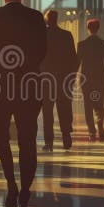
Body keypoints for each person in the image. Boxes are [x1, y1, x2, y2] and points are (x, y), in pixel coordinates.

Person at [0, 0, 47, 207]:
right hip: (29, 84)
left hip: (0, 85)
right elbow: (42, 51)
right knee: (28, 138)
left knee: (1, 136)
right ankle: (26, 189)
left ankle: (11, 184)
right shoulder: (36, 17)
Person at [40, 10, 76, 152]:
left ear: (47, 20)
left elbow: (38, 58)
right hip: (63, 80)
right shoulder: (66, 35)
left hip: (46, 80)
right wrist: (71, 78)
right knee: (64, 109)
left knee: (48, 112)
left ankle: (49, 143)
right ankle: (66, 136)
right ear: (57, 19)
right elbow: (74, 59)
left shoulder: (42, 36)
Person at [77, 18, 104, 142]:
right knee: (99, 104)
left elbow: (77, 62)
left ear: (88, 28)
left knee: (88, 106)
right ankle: (100, 124)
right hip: (100, 80)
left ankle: (92, 132)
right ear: (98, 28)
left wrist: (71, 77)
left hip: (86, 80)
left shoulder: (82, 44)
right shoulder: (103, 44)